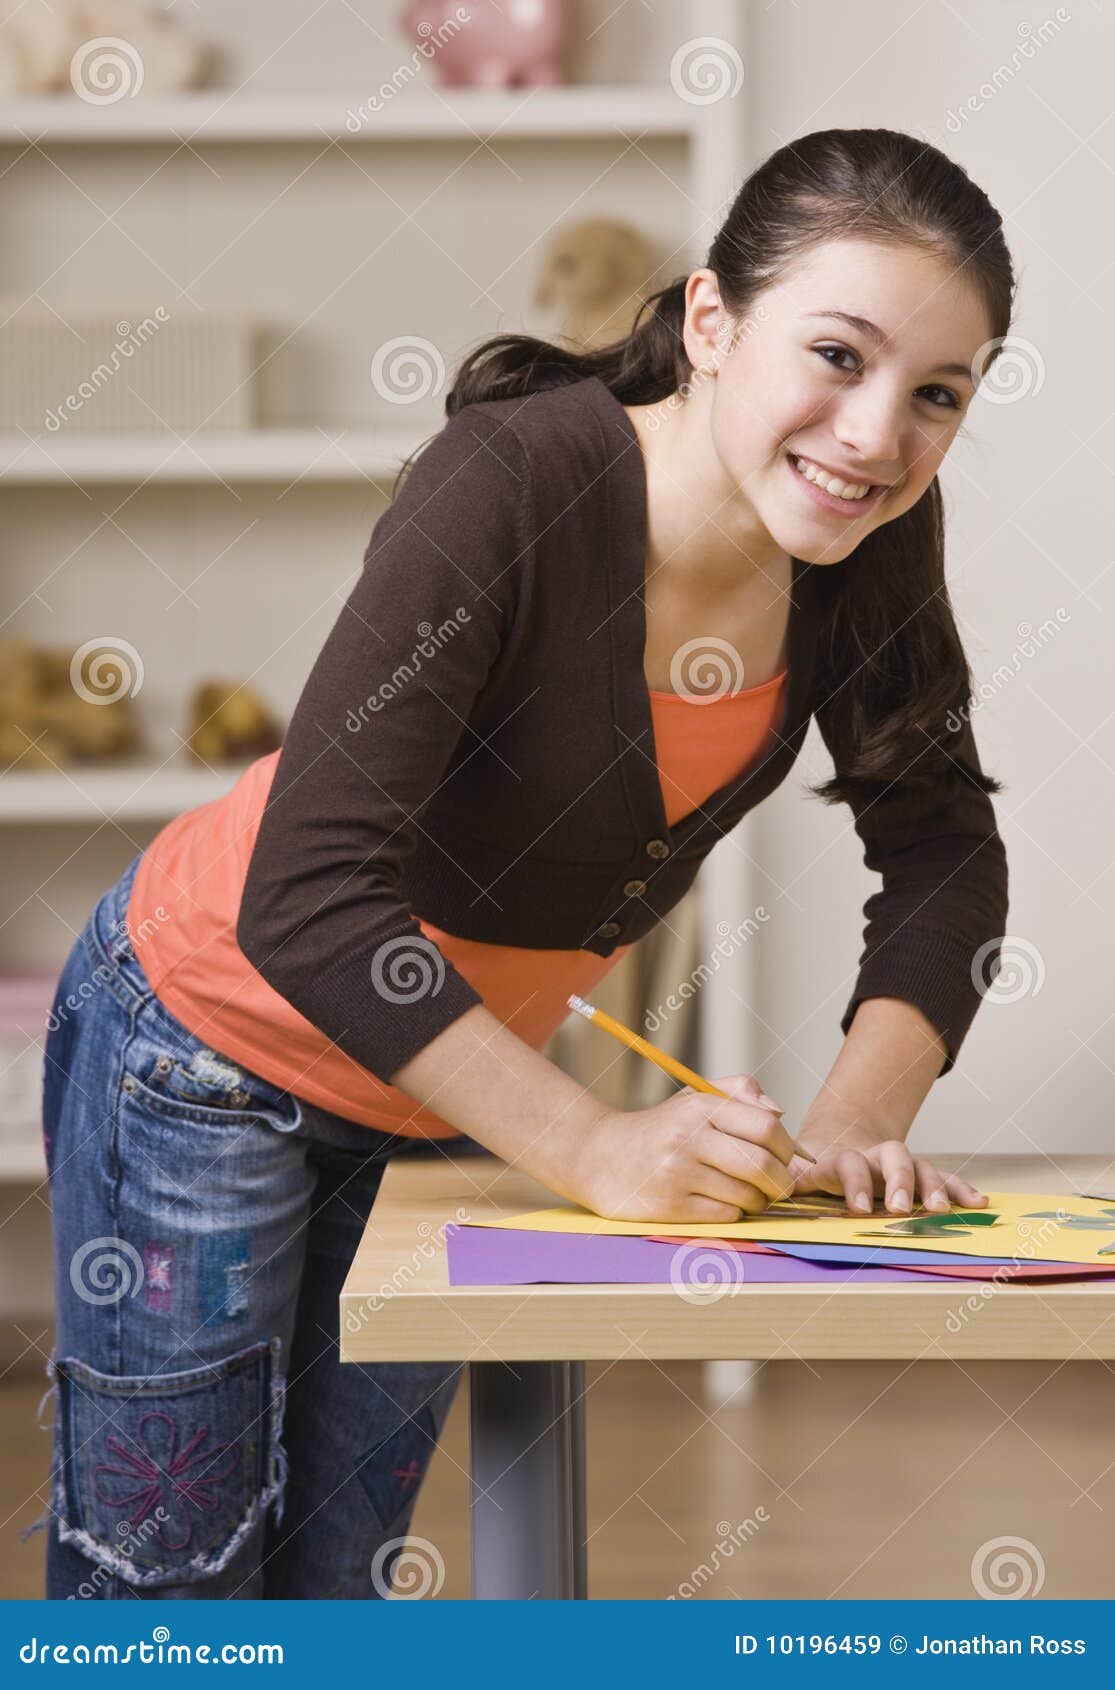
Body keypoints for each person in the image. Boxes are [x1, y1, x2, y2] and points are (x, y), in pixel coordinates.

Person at [40, 126, 1010, 1599]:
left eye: (937, 393)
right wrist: (597, 1147)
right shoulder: (513, 482)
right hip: (204, 1051)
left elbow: (945, 848)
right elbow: (307, 891)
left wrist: (855, 1126)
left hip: (440, 1092)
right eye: (838, 354)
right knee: (167, 1583)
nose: (878, 434)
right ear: (709, 320)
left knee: (336, 1578)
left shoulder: (867, 540)